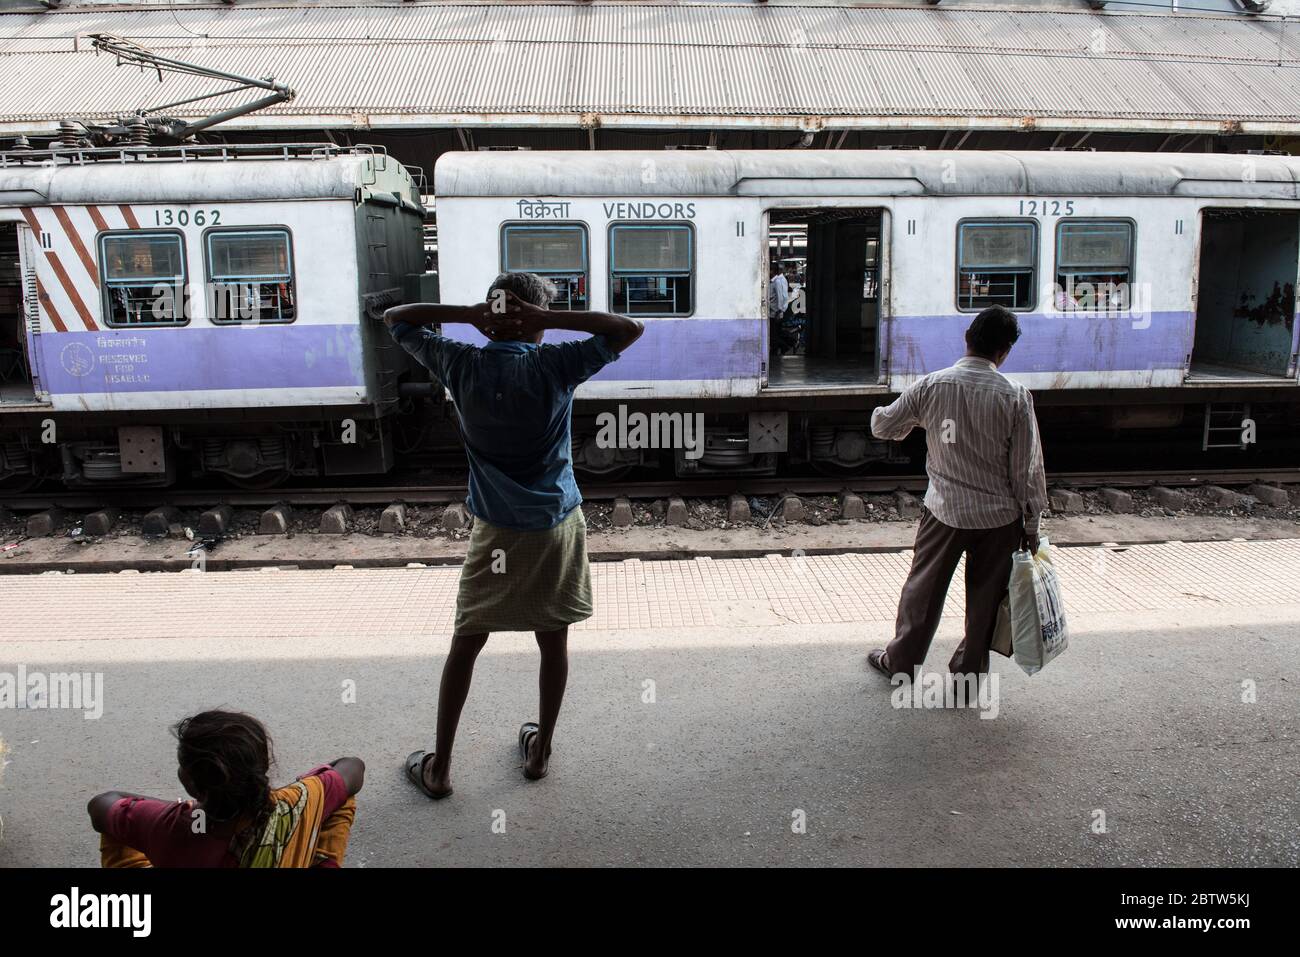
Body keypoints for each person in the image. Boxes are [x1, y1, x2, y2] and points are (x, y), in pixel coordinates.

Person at [386, 272, 643, 798]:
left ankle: (440, 770)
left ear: (489, 320)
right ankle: (539, 755)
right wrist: (546, 319)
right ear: (537, 324)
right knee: (553, 641)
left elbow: (397, 320)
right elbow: (628, 328)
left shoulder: (459, 361)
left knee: (466, 644)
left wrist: (469, 315)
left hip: (496, 531)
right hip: (555, 525)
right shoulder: (556, 364)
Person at [866, 305, 1048, 679]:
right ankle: (968, 677)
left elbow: (884, 426)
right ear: (1004, 351)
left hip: (944, 511)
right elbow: (1026, 470)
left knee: (923, 592)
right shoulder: (1015, 396)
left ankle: (900, 665)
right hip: (1000, 520)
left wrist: (910, 418)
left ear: (967, 339)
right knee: (984, 602)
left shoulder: (933, 385)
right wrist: (1031, 525)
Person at [87, 710, 364, 868]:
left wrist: (178, 810)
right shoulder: (296, 803)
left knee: (118, 833)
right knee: (338, 801)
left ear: (193, 785)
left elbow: (101, 806)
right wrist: (310, 782)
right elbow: (353, 767)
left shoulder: (173, 827)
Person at [768, 261, 792, 358]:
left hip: (775, 312)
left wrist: (779, 311)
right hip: (775, 311)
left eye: (769, 270)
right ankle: (777, 350)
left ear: (773, 271)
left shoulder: (777, 281)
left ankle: (784, 347)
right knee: (775, 334)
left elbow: (780, 297)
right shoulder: (777, 280)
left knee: (774, 335)